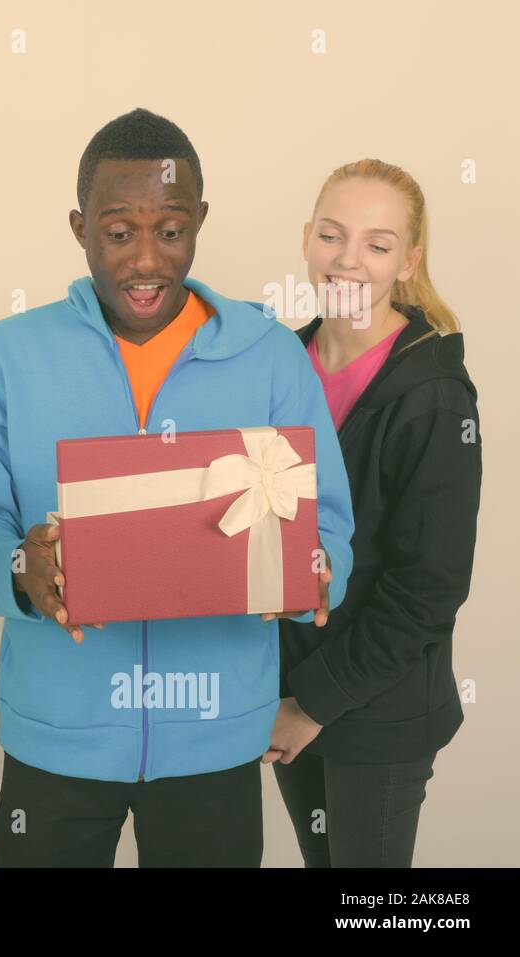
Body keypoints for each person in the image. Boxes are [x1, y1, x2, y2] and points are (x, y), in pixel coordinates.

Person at [0, 108, 355, 867]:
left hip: (217, 733)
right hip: (55, 735)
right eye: (118, 232)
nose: (146, 261)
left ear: (199, 222)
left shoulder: (270, 358)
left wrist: (314, 574)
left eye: (170, 229)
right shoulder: (4, 358)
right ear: (78, 226)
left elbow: (327, 528)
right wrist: (18, 571)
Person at [268, 159, 481, 867]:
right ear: (306, 239)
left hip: (376, 709)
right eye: (332, 235)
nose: (348, 260)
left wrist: (312, 706)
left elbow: (430, 589)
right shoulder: (280, 368)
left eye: (378, 244)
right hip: (289, 691)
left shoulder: (436, 394)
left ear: (409, 260)